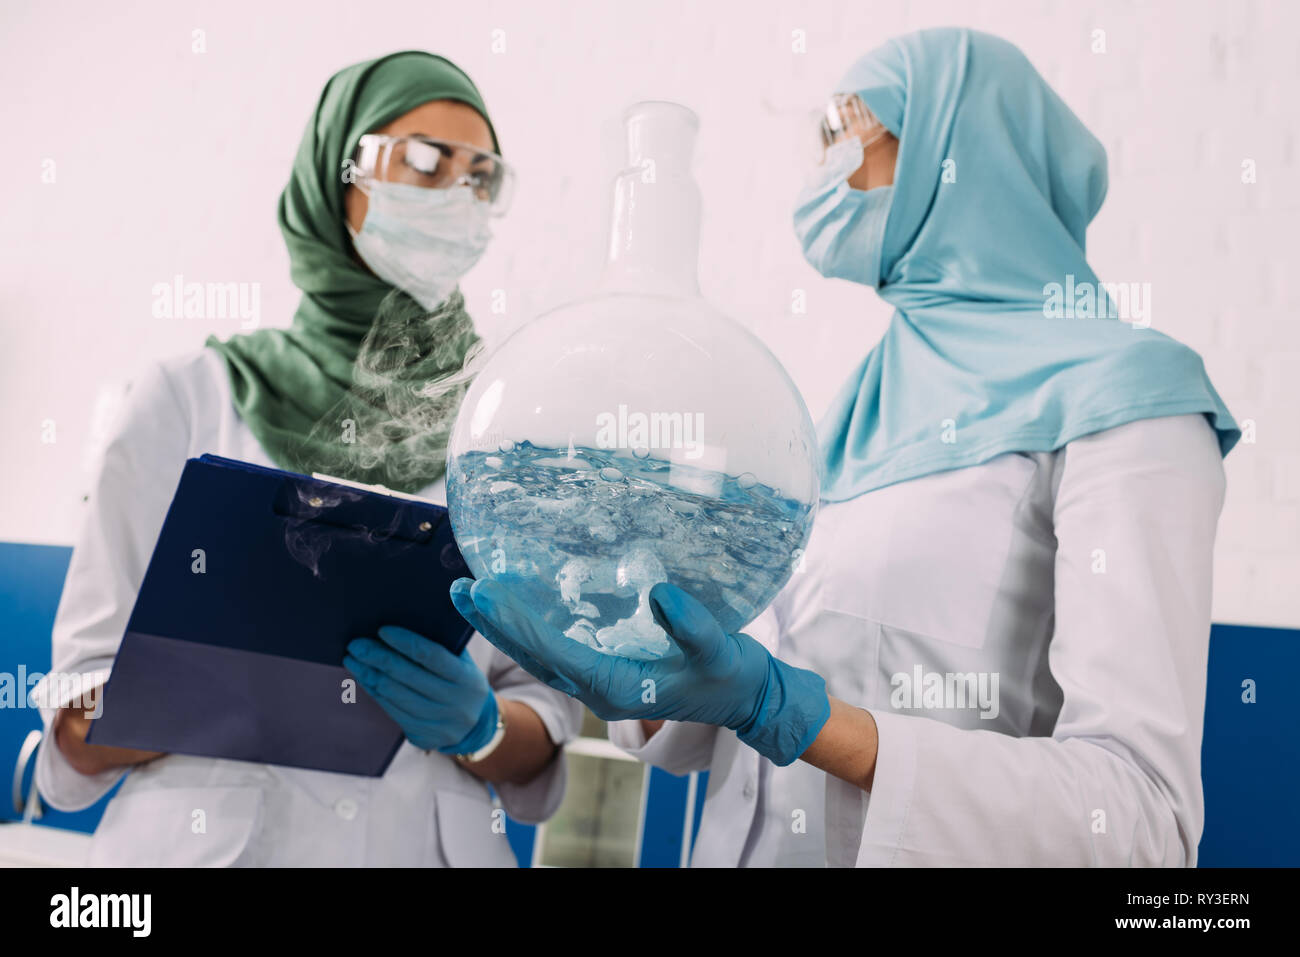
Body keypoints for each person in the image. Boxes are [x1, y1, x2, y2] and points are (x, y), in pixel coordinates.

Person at [450, 28, 1239, 867]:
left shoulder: (1128, 399)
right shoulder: (854, 409)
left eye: (845, 132)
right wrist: (649, 679)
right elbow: (729, 728)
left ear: (959, 146)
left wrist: (801, 716)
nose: (821, 171)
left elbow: (1140, 822)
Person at [34, 51, 581, 867]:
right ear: (336, 173)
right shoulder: (188, 398)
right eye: (422, 162)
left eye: (480, 177)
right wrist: (206, 690)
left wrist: (482, 727)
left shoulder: (503, 431)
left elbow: (539, 726)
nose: (455, 197)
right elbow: (77, 717)